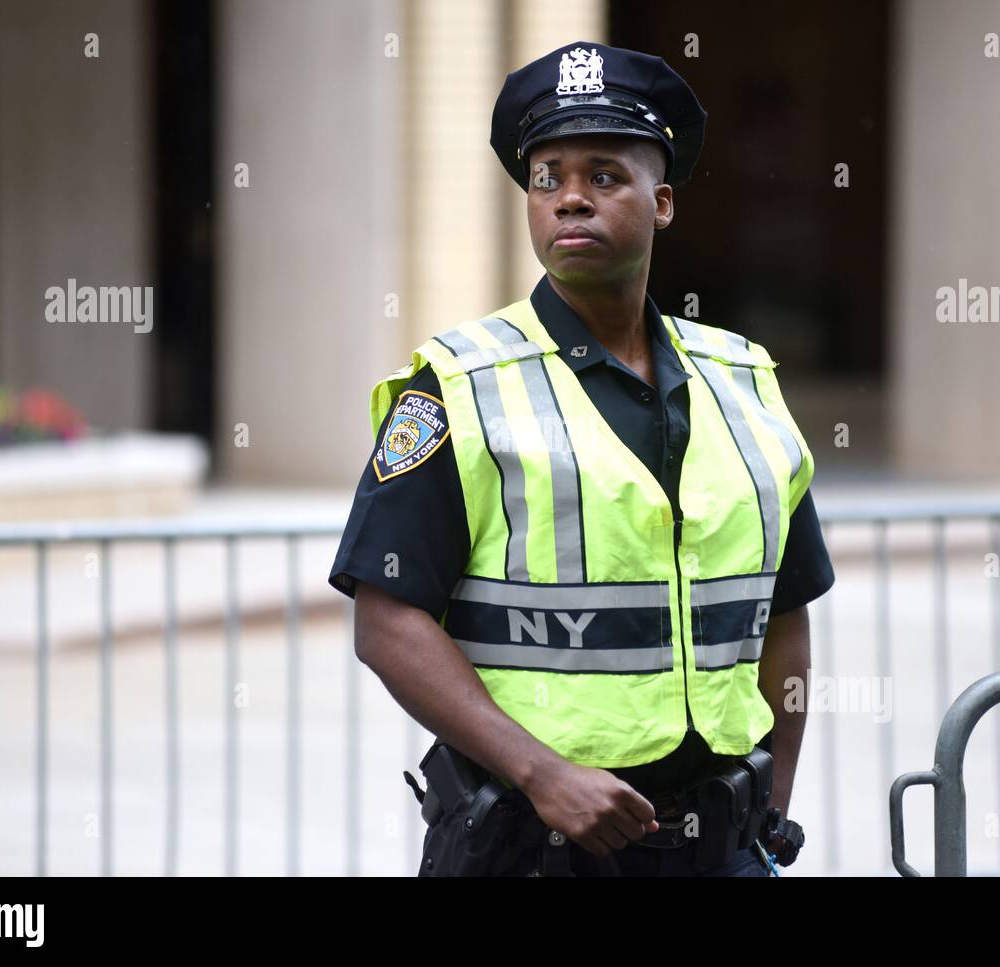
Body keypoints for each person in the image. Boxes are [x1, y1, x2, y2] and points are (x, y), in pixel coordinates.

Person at [329, 41, 834, 877]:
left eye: (604, 176)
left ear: (661, 201)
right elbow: (386, 619)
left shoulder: (743, 379)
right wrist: (542, 772)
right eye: (546, 177)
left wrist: (773, 800)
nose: (569, 199)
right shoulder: (459, 384)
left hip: (723, 848)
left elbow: (786, 614)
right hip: (533, 847)